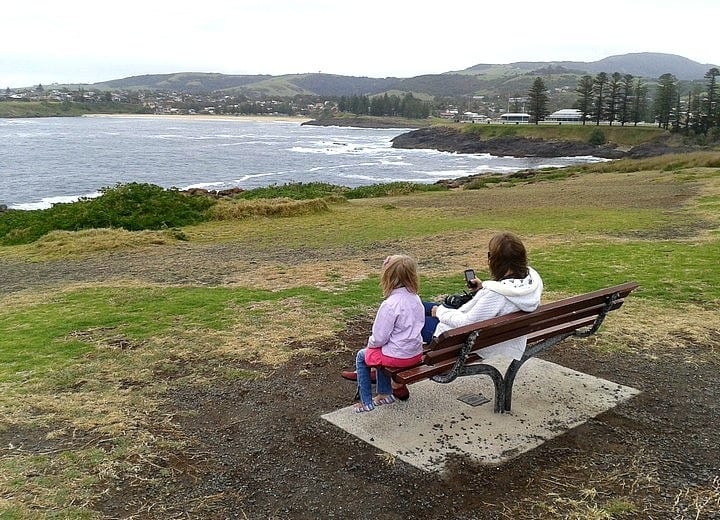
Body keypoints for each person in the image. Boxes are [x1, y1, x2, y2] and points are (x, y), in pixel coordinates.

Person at [422, 232, 543, 360]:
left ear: (496, 261)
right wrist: (483, 287)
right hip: (490, 336)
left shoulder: (496, 294)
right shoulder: (531, 281)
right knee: (417, 305)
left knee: (406, 315)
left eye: (490, 255)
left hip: (457, 340)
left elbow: (466, 323)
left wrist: (440, 312)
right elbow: (501, 295)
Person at [352, 254, 425, 413]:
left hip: (399, 357)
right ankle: (384, 393)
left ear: (388, 277)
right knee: (379, 353)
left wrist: (370, 345)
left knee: (362, 356)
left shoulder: (390, 304)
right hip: (415, 353)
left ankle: (366, 401)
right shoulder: (415, 298)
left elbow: (379, 338)